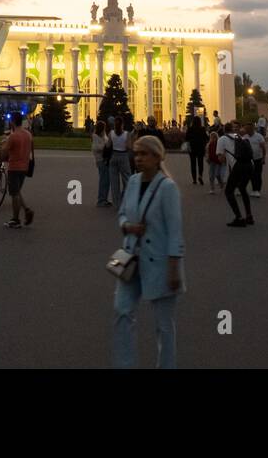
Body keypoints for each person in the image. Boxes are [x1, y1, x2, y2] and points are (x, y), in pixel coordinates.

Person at [113, 135, 185, 368]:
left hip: (160, 263)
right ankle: (125, 364)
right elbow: (122, 213)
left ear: (157, 157)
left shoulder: (168, 188)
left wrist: (174, 269)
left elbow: (175, 232)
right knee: (122, 312)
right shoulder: (133, 182)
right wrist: (127, 226)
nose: (138, 159)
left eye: (144, 154)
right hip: (131, 259)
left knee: (164, 325)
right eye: (136, 154)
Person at [0, 113, 34, 228]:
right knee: (17, 191)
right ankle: (27, 210)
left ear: (13, 122)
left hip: (14, 167)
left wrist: (3, 143)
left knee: (14, 194)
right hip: (25, 167)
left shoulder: (13, 136)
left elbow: (3, 154)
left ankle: (15, 219)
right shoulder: (28, 134)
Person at [219, 122, 254, 227]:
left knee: (228, 191)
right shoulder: (239, 137)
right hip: (250, 165)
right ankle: (249, 216)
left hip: (238, 166)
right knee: (242, 188)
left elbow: (221, 158)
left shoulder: (222, 139)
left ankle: (239, 217)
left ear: (224, 129)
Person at [108, 115, 133, 206]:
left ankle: (116, 203)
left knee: (114, 182)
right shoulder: (127, 134)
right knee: (127, 179)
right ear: (122, 124)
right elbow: (129, 147)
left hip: (114, 156)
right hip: (123, 156)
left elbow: (107, 145)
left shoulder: (111, 133)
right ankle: (126, 200)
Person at [184, 115, 208, 186]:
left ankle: (194, 179)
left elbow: (186, 138)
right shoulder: (202, 129)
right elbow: (206, 138)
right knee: (200, 163)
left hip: (192, 148)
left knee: (193, 164)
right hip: (200, 148)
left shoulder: (190, 129)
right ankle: (200, 176)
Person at [93, 121, 112, 206]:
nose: (105, 129)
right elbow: (96, 148)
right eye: (104, 127)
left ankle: (104, 199)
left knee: (106, 181)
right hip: (101, 161)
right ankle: (101, 200)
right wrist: (106, 145)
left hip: (106, 160)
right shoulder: (96, 136)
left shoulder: (103, 136)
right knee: (103, 181)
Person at [247, 123, 267, 197]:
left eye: (249, 129)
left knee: (258, 174)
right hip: (249, 160)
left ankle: (258, 190)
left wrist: (264, 158)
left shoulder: (259, 136)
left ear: (253, 129)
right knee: (251, 175)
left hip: (258, 158)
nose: (247, 130)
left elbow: (263, 148)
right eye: (246, 129)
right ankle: (254, 189)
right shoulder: (245, 137)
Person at [206, 129, 226, 194]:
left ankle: (221, 185)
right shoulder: (209, 144)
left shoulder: (219, 143)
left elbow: (222, 152)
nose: (213, 138)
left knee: (217, 174)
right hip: (211, 161)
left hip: (218, 161)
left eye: (214, 137)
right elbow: (207, 153)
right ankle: (212, 188)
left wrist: (222, 159)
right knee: (211, 175)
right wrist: (207, 158)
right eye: (212, 137)